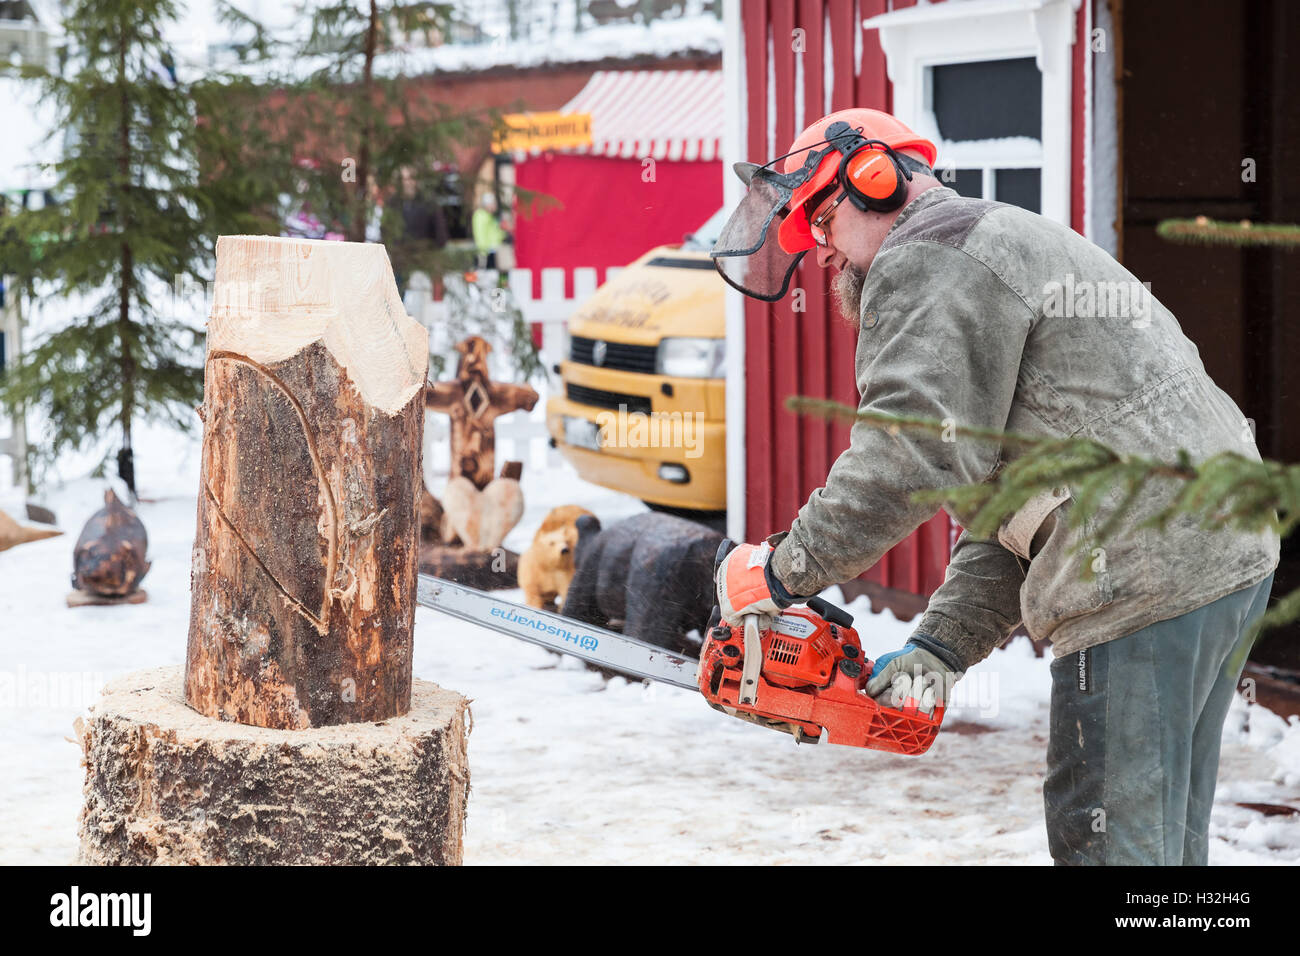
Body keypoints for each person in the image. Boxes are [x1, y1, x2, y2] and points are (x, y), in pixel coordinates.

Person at [710, 108, 1279, 865]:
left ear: (873, 181)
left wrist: (784, 570)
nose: (820, 251)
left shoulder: (930, 258)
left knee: (1105, 835)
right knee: (1165, 838)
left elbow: (907, 452)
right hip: (1215, 551)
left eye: (820, 219)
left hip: (1141, 564)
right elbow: (1015, 509)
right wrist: (941, 649)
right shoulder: (988, 243)